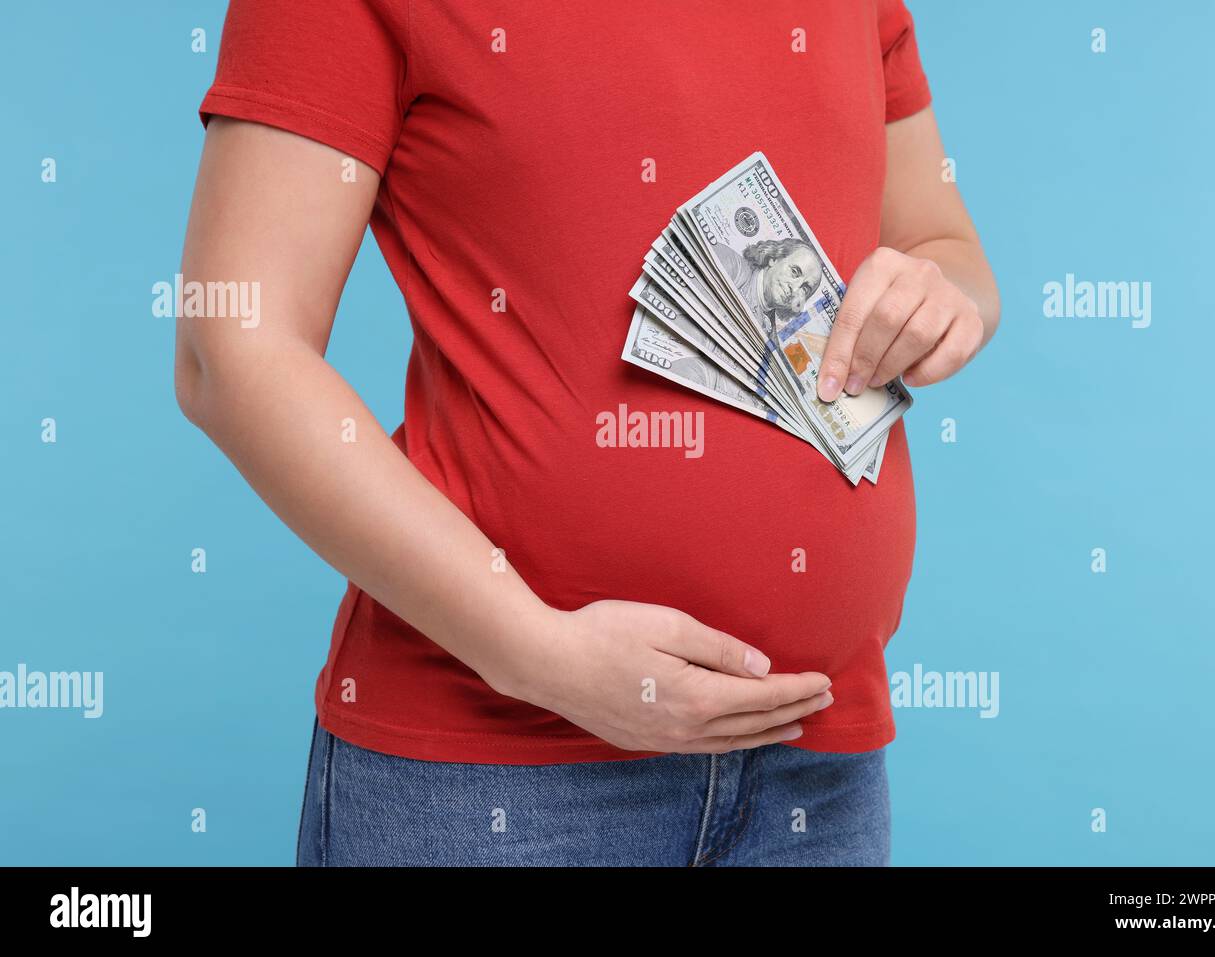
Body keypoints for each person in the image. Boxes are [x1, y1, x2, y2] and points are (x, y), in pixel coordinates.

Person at [177, 0, 999, 866]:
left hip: (819, 769)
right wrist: (537, 656)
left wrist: (943, 298)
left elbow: (943, 243)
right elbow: (229, 348)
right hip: (495, 782)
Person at [713, 239, 824, 337]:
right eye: (794, 272)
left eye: (804, 289)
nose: (795, 289)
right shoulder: (727, 262)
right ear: (774, 259)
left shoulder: (770, 340)